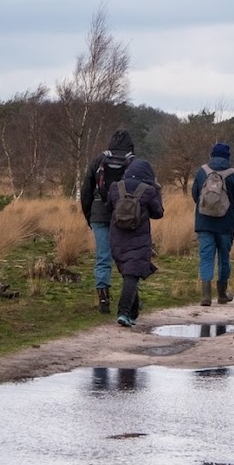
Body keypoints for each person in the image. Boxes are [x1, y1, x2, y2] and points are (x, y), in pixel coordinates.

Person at [80, 129, 135, 314]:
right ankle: (131, 298)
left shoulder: (98, 160)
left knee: (103, 257)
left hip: (98, 213)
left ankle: (103, 299)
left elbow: (86, 191)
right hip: (125, 215)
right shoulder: (133, 162)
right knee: (127, 257)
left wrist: (89, 216)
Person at [107, 158, 163, 327]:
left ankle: (133, 313)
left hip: (117, 238)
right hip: (139, 239)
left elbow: (109, 208)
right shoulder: (149, 191)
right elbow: (158, 213)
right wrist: (157, 192)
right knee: (132, 275)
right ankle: (123, 312)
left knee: (129, 274)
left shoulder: (115, 187)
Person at [191, 143, 234, 306]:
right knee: (224, 258)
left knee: (206, 258)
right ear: (228, 156)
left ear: (211, 155)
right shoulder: (233, 174)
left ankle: (206, 296)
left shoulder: (202, 171)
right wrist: (230, 211)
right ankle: (222, 294)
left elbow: (195, 194)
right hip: (225, 224)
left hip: (204, 222)